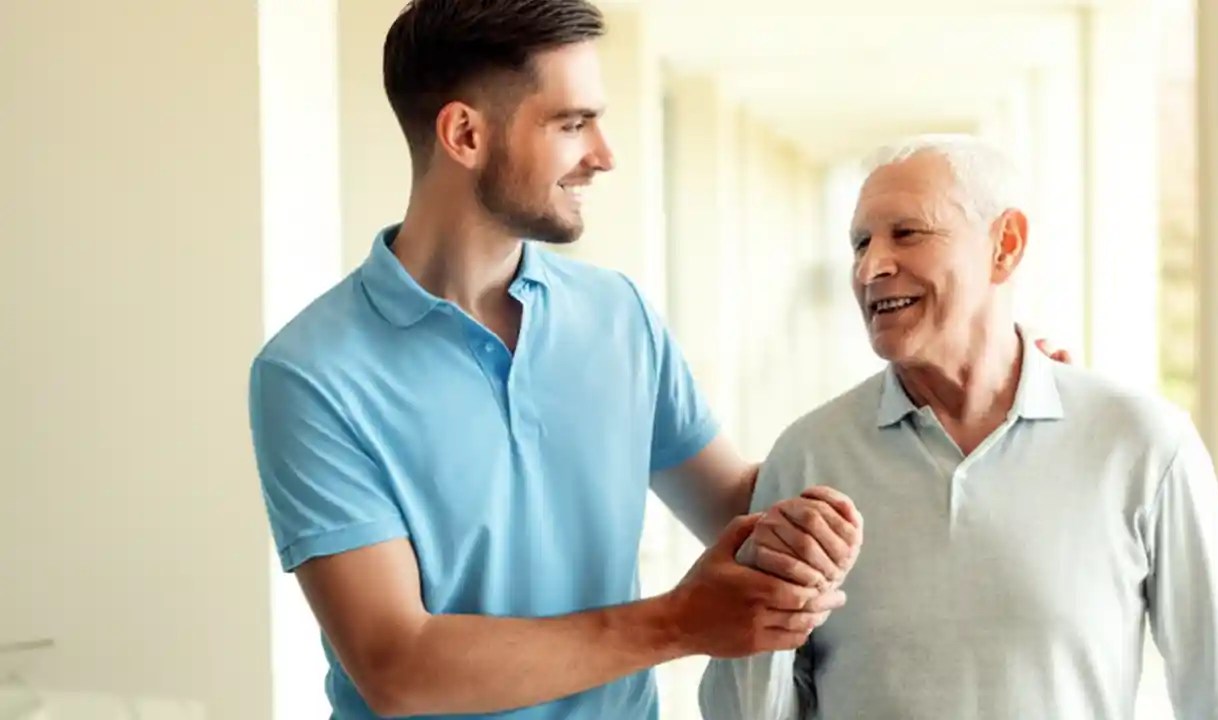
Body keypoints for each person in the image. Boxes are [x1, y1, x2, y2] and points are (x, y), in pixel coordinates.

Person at [248, 1, 862, 718]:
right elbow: (399, 668)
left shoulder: (617, 315)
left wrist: (965, 388)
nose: (604, 154)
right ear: (465, 134)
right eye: (572, 124)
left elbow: (739, 504)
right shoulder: (311, 373)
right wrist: (678, 621)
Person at [699, 135, 1218, 719]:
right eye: (860, 242)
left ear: (1005, 245)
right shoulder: (807, 456)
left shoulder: (1144, 444)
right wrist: (769, 603)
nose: (872, 266)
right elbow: (738, 714)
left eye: (907, 233)